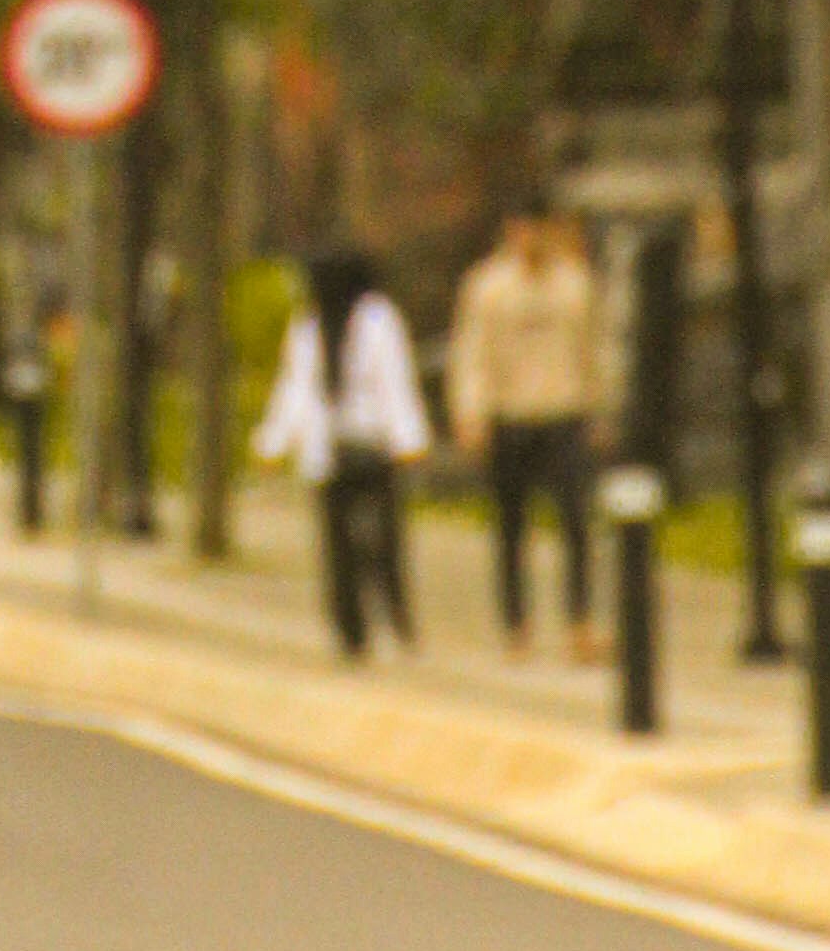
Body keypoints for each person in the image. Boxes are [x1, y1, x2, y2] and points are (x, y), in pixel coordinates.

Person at [254, 249, 431, 658]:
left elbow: (395, 381)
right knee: (337, 545)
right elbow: (295, 388)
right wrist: (273, 442)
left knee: (384, 539)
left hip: (372, 444)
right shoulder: (309, 325)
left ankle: (395, 613)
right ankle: (349, 628)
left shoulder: (377, 320)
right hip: (329, 449)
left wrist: (408, 440)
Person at [447, 205, 602, 659]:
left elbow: (594, 347)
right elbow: (472, 352)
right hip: (511, 415)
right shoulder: (489, 286)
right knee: (511, 527)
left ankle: (580, 621)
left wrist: (598, 407)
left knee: (576, 521)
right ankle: (517, 624)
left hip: (564, 411)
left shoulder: (575, 283)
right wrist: (471, 412)